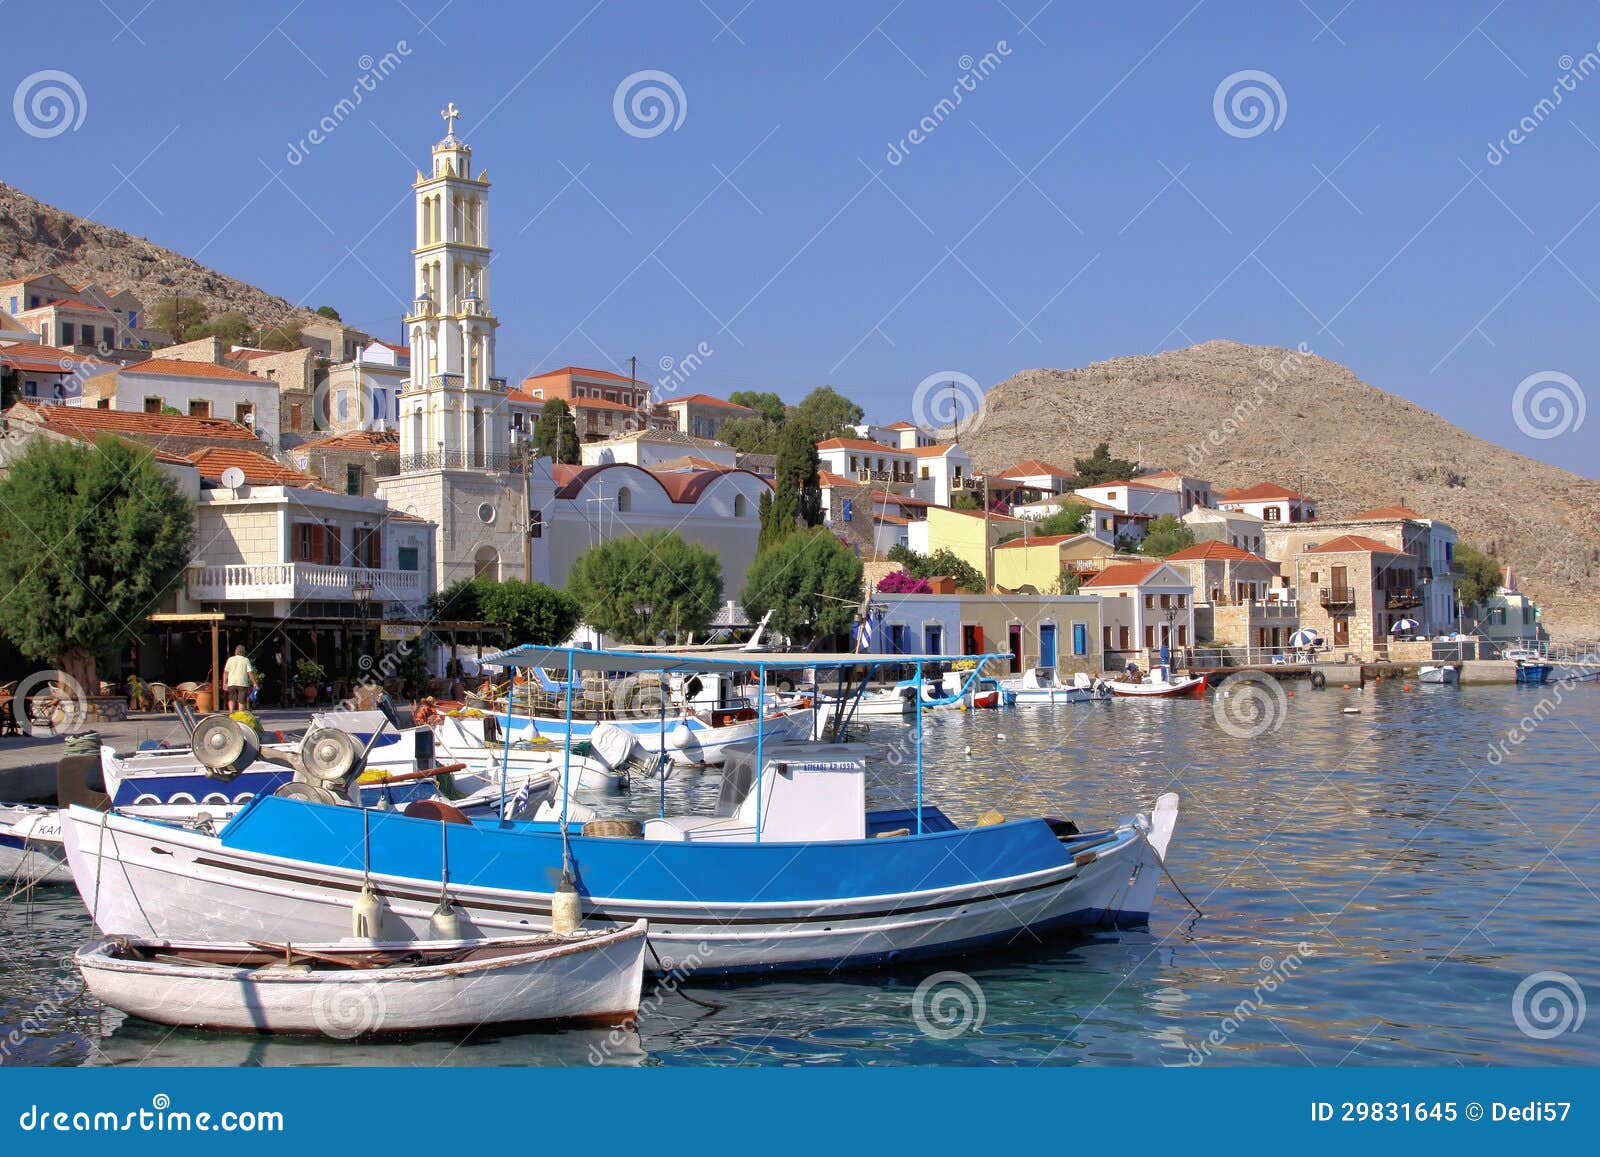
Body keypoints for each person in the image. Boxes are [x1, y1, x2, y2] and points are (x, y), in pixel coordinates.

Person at [223, 646, 258, 712]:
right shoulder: (246, 660)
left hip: (231, 683)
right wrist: (254, 683)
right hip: (242, 683)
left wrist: (224, 682)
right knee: (241, 701)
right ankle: (240, 715)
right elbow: (250, 673)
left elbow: (226, 672)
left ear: (236, 651)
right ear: (243, 652)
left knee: (231, 699)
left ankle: (231, 713)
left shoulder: (230, 659)